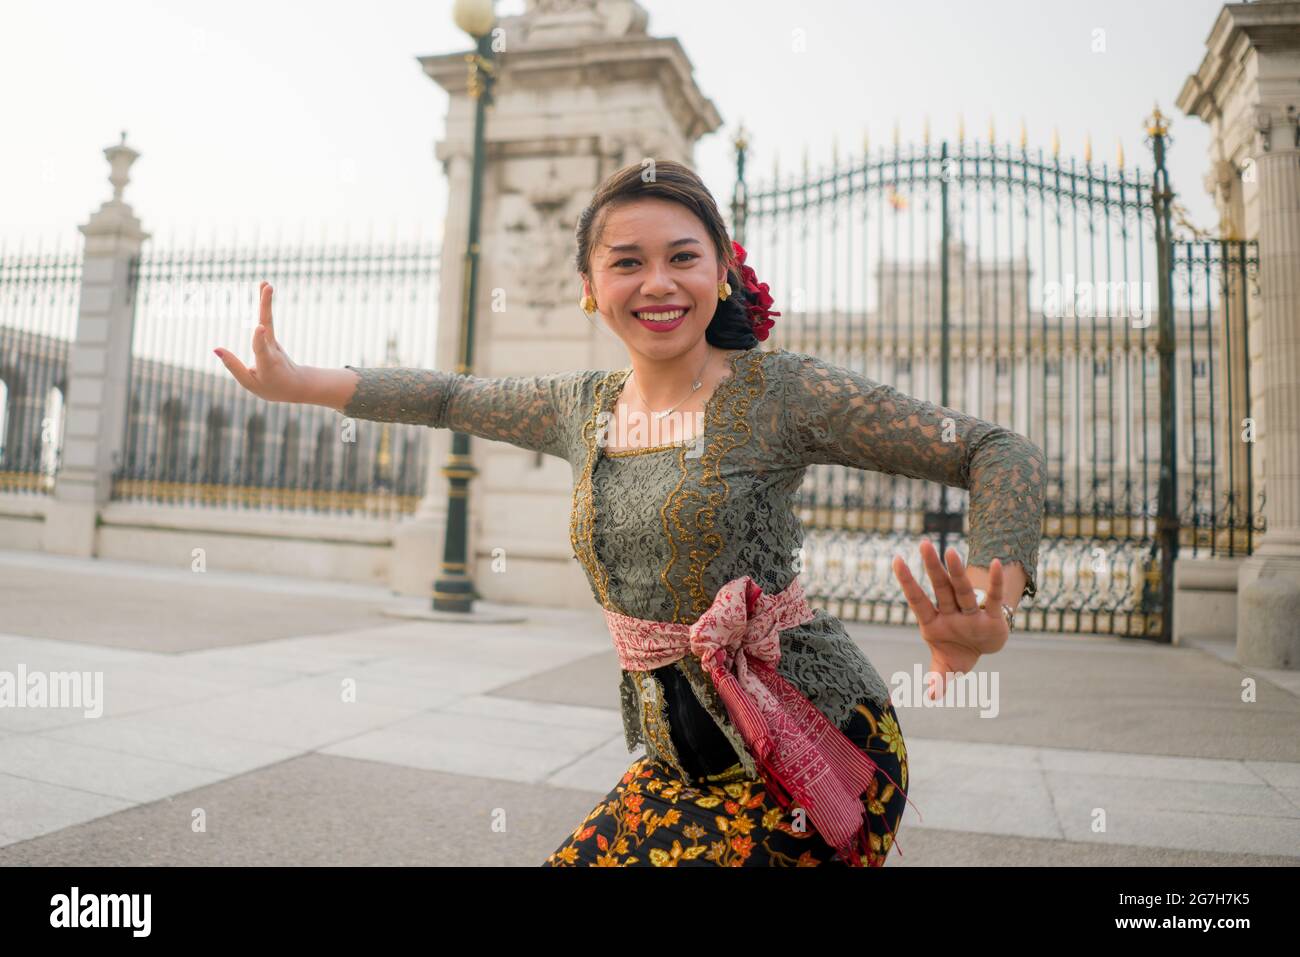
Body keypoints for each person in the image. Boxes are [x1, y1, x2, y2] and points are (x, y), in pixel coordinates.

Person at [214, 159, 1046, 867]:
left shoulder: (779, 393)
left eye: (682, 256)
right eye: (626, 262)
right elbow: (448, 395)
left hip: (818, 745)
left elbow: (993, 447)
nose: (656, 282)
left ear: (720, 269)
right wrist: (301, 383)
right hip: (682, 760)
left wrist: (990, 604)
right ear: (589, 287)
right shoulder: (579, 407)